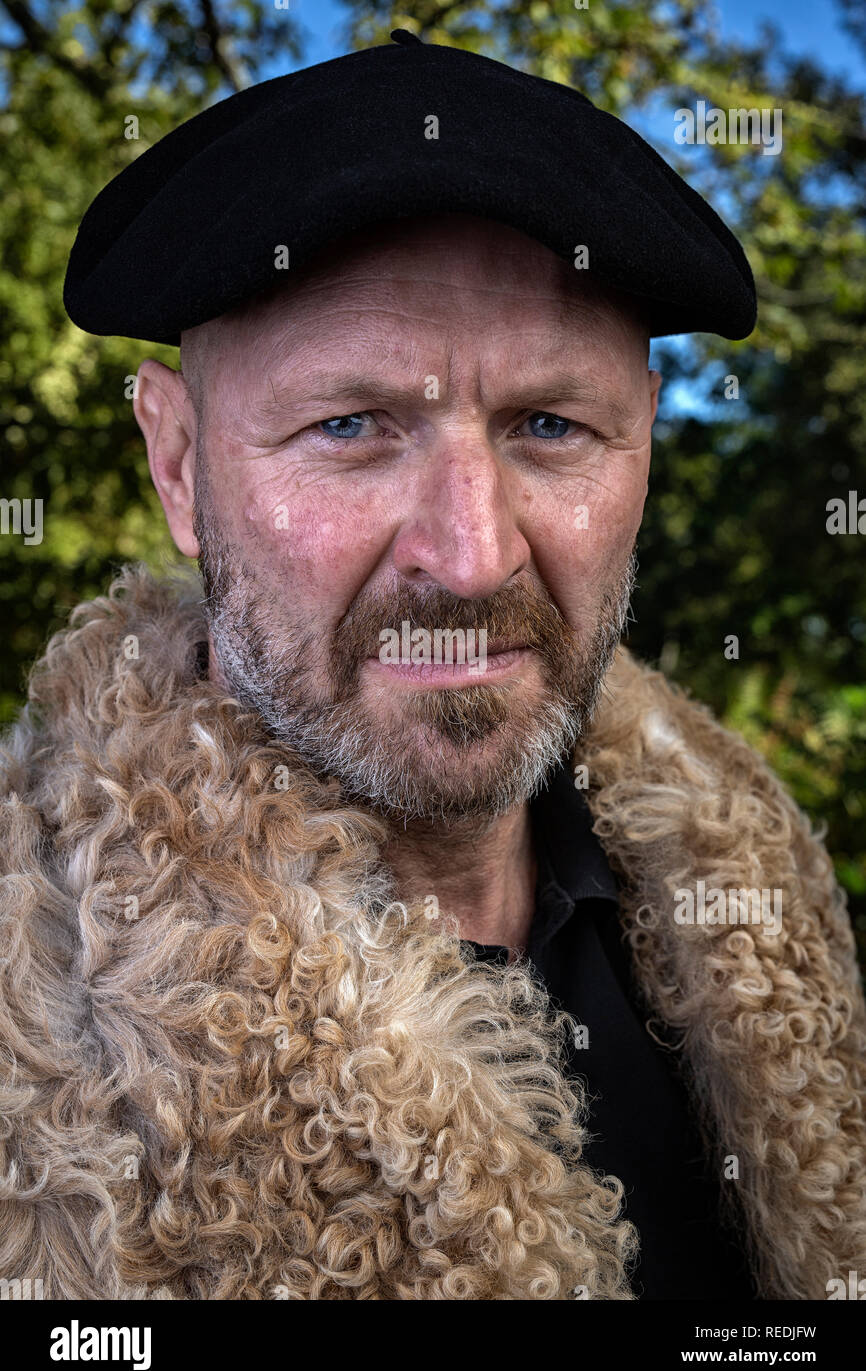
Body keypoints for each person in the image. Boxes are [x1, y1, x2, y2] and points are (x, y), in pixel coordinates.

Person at [1, 31, 863, 1301]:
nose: (467, 557)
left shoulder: (775, 921)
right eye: (350, 426)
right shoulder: (30, 1037)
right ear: (178, 467)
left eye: (550, 426)